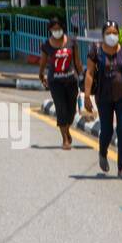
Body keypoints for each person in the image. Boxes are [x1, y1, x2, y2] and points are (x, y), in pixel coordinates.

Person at [83, 20, 122, 180]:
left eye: (115, 33)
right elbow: (89, 73)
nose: (112, 36)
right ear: (103, 35)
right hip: (103, 96)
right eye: (108, 33)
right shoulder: (96, 52)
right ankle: (103, 152)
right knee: (107, 130)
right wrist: (86, 95)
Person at [37, 17, 78, 149]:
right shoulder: (47, 45)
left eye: (59, 29)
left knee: (71, 111)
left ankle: (67, 129)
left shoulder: (71, 42)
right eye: (54, 29)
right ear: (50, 30)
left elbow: (77, 61)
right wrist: (41, 75)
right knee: (61, 108)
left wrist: (82, 75)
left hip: (71, 80)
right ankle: (65, 139)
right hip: (55, 82)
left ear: (63, 29)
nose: (57, 31)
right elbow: (43, 62)